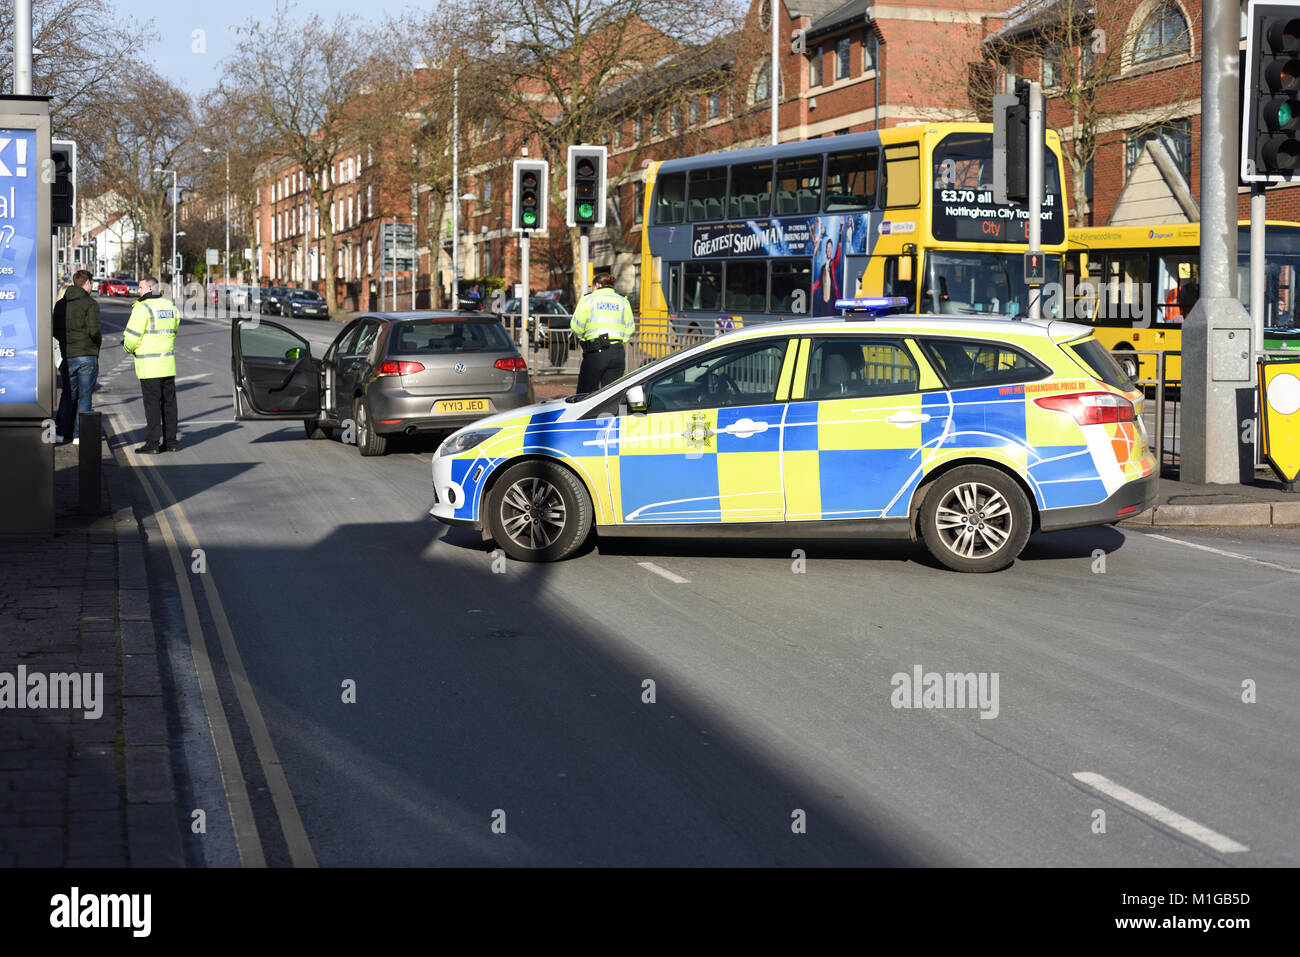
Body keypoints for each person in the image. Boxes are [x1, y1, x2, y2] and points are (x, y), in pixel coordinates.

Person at [122, 275, 180, 454]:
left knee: (152, 406)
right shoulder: (169, 306)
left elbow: (131, 338)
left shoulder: (142, 308)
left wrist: (128, 349)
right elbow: (174, 329)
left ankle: (153, 444)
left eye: (140, 287)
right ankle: (171, 443)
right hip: (168, 365)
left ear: (149, 288)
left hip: (149, 367)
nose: (137, 291)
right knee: (169, 405)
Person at [54, 270, 102, 445]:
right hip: (87, 355)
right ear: (87, 283)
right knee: (85, 396)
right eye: (92, 283)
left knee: (68, 394)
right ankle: (78, 435)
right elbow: (94, 331)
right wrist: (96, 346)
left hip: (68, 356)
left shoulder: (60, 305)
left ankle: (60, 433)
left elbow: (55, 330)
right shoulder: (90, 304)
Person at [572, 274, 635, 394]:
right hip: (617, 351)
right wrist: (620, 339)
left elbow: (576, 326)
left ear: (597, 285)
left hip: (595, 350)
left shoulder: (588, 300)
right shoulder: (623, 301)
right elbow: (630, 329)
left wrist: (584, 338)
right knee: (612, 395)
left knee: (586, 393)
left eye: (592, 287)